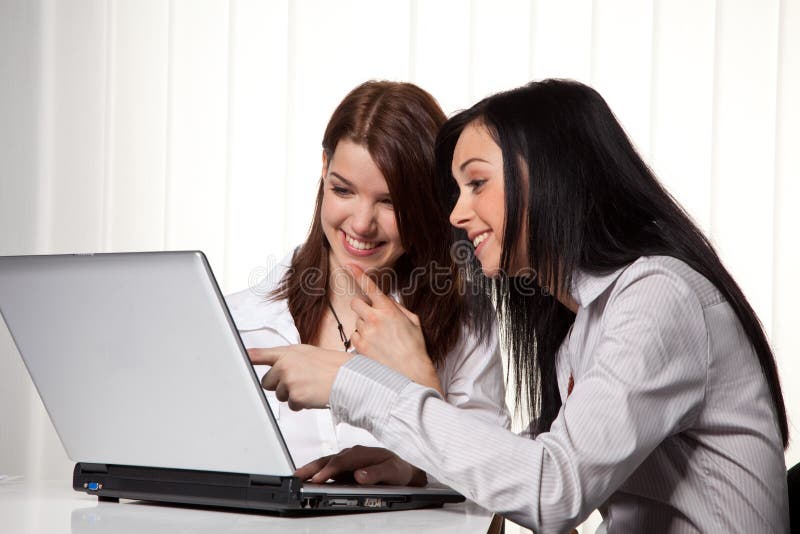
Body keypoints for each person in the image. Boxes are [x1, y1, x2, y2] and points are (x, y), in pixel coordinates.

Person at [251, 79, 791, 532]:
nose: (457, 214)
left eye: (477, 184)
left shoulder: (659, 296)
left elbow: (552, 491)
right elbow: (522, 465)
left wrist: (354, 382)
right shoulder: (581, 321)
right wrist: (415, 469)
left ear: (549, 178)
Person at [227, 80, 509, 479]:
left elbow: (498, 490)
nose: (361, 224)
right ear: (324, 171)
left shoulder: (465, 322)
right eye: (343, 190)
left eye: (390, 201)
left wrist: (416, 468)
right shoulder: (239, 320)